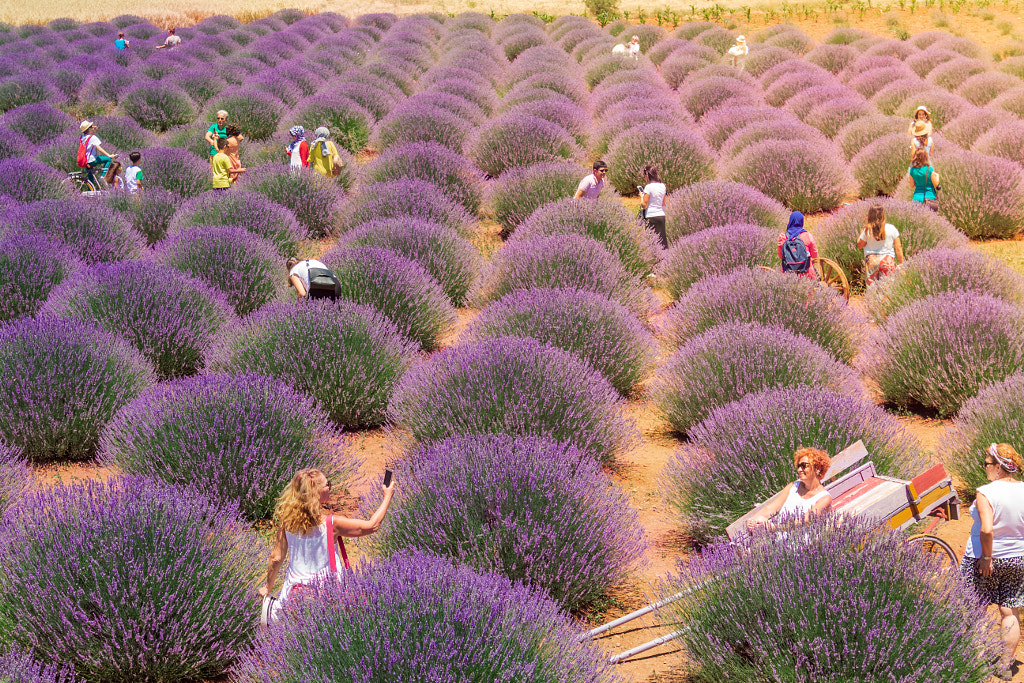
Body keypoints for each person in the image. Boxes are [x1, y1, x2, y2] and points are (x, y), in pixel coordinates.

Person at [258, 468, 396, 622]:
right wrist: (387, 496)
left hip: (295, 599)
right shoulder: (331, 524)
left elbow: (276, 558)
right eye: (327, 484)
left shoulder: (287, 523)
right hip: (327, 597)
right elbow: (372, 526)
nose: (330, 487)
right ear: (316, 493)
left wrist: (267, 588)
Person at [960, 443, 1023, 681]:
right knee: (1009, 610)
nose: (985, 468)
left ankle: (976, 665)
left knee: (974, 609)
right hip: (1018, 558)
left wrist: (987, 558)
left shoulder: (986, 491)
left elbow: (987, 530)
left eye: (987, 464)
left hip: (984, 558)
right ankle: (1005, 665)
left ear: (998, 467)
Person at [746, 447, 833, 530]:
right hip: (776, 536)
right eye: (798, 466)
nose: (799, 469)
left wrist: (773, 528)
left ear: (817, 468)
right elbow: (770, 509)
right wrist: (752, 521)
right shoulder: (792, 486)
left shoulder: (824, 498)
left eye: (803, 466)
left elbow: (803, 522)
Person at [857, 204, 905, 285]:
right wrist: (901, 263)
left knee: (871, 287)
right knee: (887, 287)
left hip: (872, 260)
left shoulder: (867, 230)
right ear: (883, 215)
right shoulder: (891, 228)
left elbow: (859, 245)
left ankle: (872, 298)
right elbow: (898, 247)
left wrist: (862, 232)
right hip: (887, 260)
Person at [778, 210, 818, 279]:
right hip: (806, 275)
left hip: (788, 275)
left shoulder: (783, 237)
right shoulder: (807, 235)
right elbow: (815, 255)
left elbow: (780, 256)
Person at [79, 120, 115, 189]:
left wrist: (93, 130)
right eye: (91, 127)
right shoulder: (93, 138)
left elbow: (90, 138)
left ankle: (89, 193)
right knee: (108, 159)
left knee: (90, 180)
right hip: (92, 160)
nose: (93, 127)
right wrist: (109, 155)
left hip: (85, 161)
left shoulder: (82, 137)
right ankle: (103, 177)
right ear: (88, 129)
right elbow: (99, 148)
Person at [640, 164, 667, 249]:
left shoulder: (648, 187)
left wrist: (641, 196)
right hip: (661, 215)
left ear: (647, 175)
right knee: (662, 240)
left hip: (651, 216)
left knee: (651, 241)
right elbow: (663, 203)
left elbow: (644, 205)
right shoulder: (663, 186)